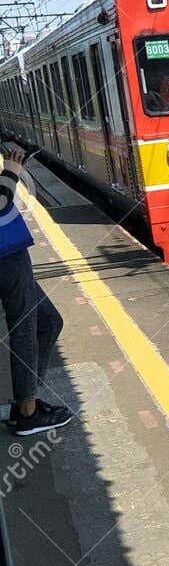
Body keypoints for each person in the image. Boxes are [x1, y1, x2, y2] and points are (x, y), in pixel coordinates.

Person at [0, 146, 70, 437]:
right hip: (5, 252)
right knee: (25, 327)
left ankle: (25, 401)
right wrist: (11, 172)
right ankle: (27, 412)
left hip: (10, 247)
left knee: (49, 321)